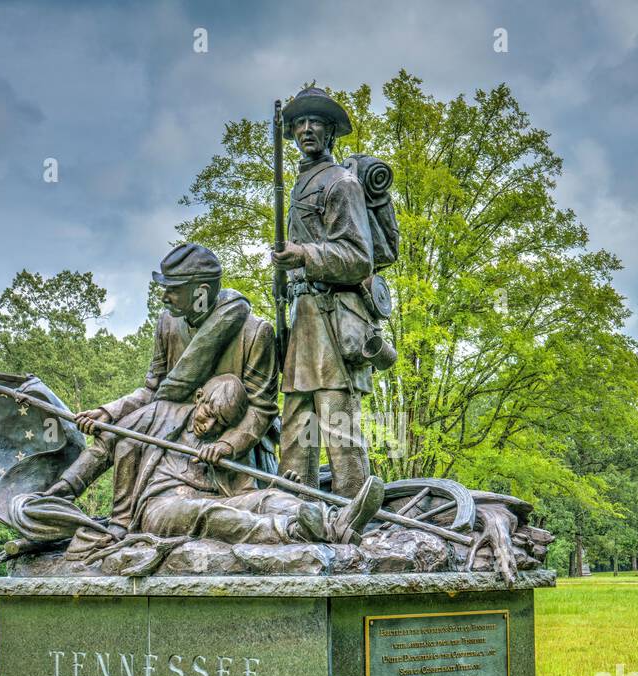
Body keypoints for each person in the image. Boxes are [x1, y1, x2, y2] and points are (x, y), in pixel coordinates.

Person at [45, 242, 279, 499]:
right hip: (172, 422)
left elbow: (261, 408)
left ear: (201, 293)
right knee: (120, 430)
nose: (164, 297)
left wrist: (227, 445)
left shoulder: (256, 333)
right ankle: (62, 493)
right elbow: (153, 390)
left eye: (173, 290)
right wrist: (109, 412)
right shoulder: (167, 323)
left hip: (229, 441)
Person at [104, 373, 384, 546]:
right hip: (162, 506)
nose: (210, 426)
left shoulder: (228, 443)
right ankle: (293, 531)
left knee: (269, 498)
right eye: (208, 414)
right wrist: (103, 414)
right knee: (210, 513)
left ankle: (337, 522)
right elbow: (118, 437)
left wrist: (278, 490)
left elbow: (247, 494)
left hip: (215, 499)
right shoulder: (162, 414)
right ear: (198, 397)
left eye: (220, 423)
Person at [272, 86, 378, 498]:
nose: (306, 129)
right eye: (299, 122)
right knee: (296, 427)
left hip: (334, 320)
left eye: (315, 121)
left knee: (339, 430)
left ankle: (354, 515)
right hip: (303, 316)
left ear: (331, 131)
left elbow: (358, 257)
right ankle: (288, 512)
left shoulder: (341, 182)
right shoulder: (300, 185)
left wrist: (303, 254)